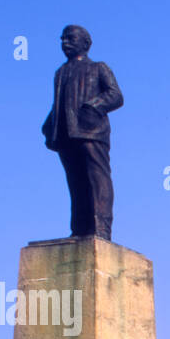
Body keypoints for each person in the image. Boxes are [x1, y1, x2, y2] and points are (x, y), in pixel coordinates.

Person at [41, 25, 122, 240]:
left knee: (97, 179)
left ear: (85, 43)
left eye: (71, 38)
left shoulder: (98, 68)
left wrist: (93, 106)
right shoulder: (60, 72)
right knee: (75, 181)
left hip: (92, 131)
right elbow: (59, 103)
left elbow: (116, 95)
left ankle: (101, 229)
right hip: (67, 134)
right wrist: (49, 125)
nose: (65, 42)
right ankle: (80, 229)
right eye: (63, 39)